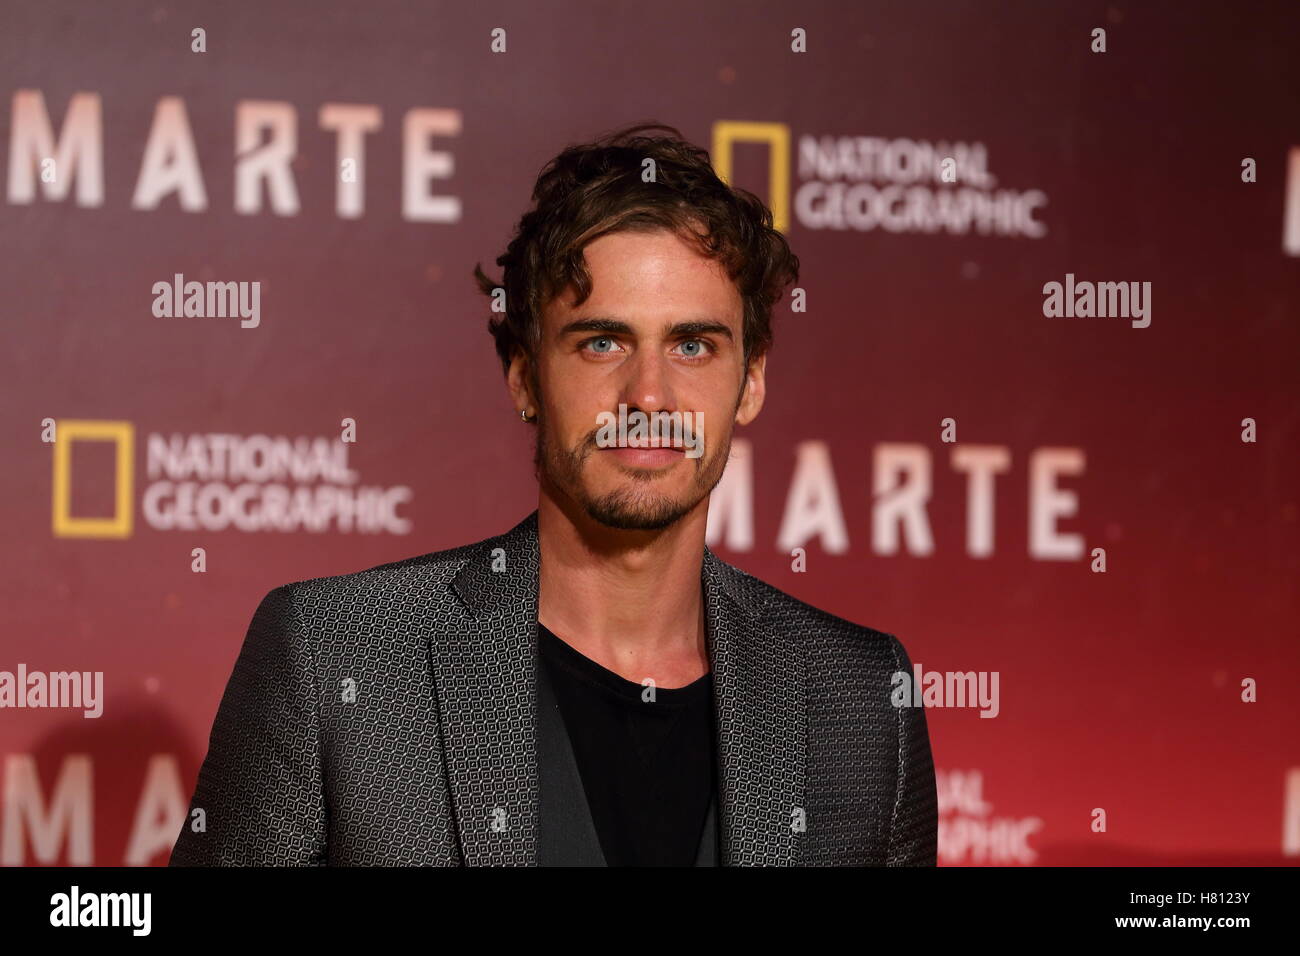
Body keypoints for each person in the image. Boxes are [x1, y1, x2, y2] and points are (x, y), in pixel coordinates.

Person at [169, 122, 937, 866]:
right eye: (602, 342)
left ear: (752, 381)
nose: (649, 396)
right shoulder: (337, 652)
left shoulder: (861, 700)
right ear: (526, 376)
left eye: (693, 345)